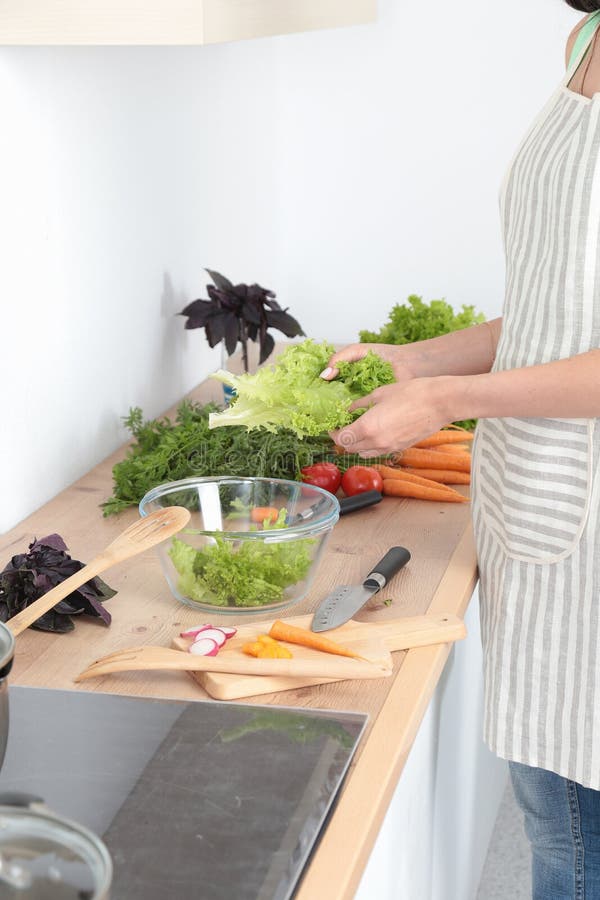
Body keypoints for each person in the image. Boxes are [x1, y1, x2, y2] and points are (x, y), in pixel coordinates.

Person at [321, 4, 600, 898]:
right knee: (555, 810)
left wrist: (449, 398)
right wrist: (419, 359)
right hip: (545, 504)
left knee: (574, 845)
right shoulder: (584, 43)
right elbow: (565, 307)